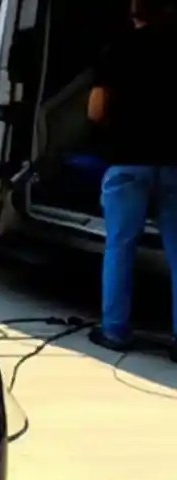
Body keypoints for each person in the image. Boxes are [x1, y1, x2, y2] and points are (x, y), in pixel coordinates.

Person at [87, 0, 177, 361]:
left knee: (120, 247)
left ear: (132, 11)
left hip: (127, 163)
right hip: (173, 164)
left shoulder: (116, 51)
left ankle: (115, 330)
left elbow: (95, 111)